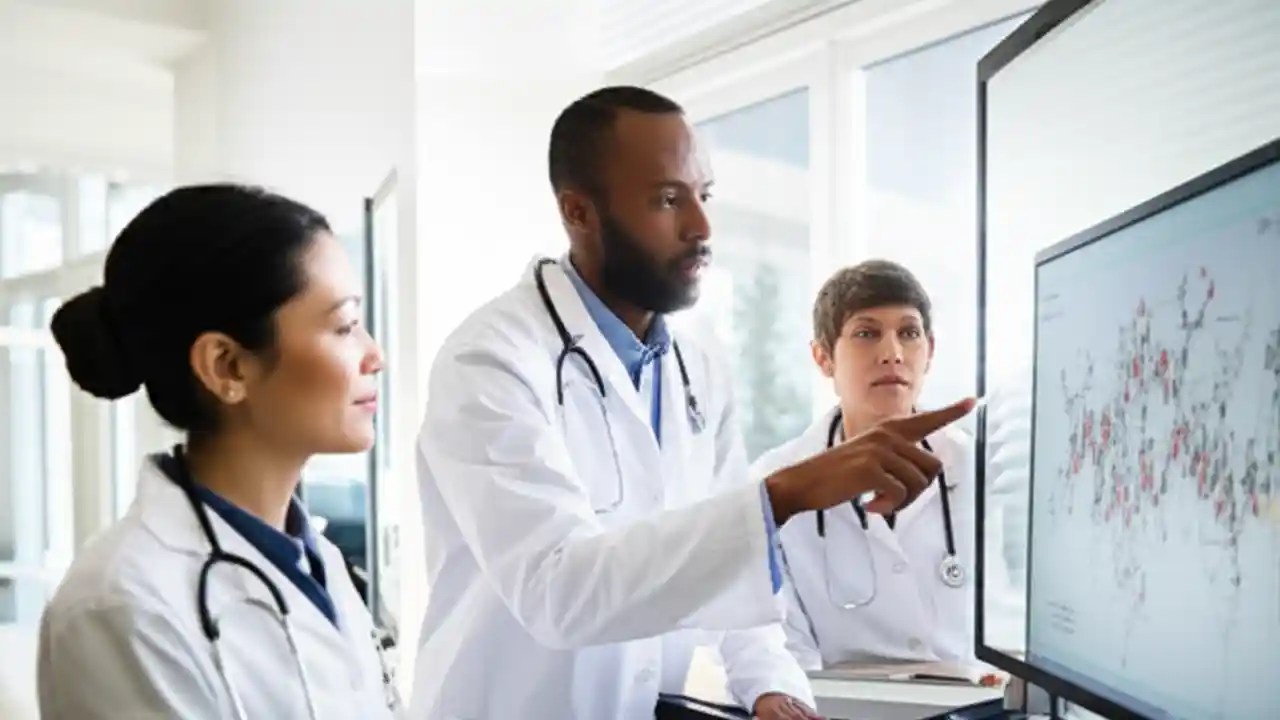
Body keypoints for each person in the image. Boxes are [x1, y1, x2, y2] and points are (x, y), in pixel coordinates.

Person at [409, 86, 975, 719]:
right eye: (667, 199)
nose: (701, 227)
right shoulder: (491, 361)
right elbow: (558, 590)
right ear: (578, 212)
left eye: (703, 196)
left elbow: (732, 570)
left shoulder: (697, 366)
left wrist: (770, 685)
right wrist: (786, 494)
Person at [36, 185, 398, 719]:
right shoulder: (120, 608)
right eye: (344, 326)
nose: (375, 355)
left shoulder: (311, 563)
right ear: (227, 366)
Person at [752, 261, 977, 671]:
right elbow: (777, 650)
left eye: (908, 333)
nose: (892, 353)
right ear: (823, 358)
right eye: (866, 333)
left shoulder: (974, 469)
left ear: (930, 352)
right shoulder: (778, 484)